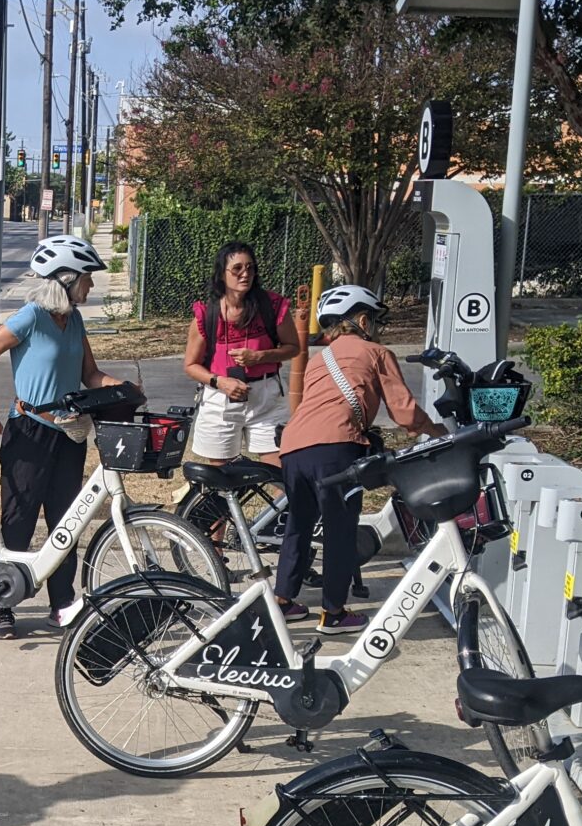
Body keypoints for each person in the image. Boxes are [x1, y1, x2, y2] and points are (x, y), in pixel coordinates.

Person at [0, 232, 129, 638]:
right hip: (29, 432)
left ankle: (61, 604)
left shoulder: (72, 320)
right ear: (66, 279)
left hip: (68, 434)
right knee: (18, 523)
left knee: (65, 523)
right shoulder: (31, 317)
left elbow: (90, 375)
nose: (90, 285)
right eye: (86, 278)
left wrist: (123, 388)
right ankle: (3, 604)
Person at [273, 285, 445, 631]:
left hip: (293, 448)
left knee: (299, 525)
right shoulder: (376, 352)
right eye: (375, 321)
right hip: (336, 449)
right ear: (363, 320)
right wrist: (437, 432)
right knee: (340, 529)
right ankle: (334, 613)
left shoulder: (321, 360)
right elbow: (405, 412)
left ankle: (283, 602)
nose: (377, 329)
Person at [183, 241, 299, 465]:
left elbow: (293, 348)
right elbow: (190, 365)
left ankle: (278, 501)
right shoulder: (207, 314)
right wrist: (220, 382)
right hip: (221, 399)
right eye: (237, 269)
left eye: (250, 268)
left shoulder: (272, 306)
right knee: (223, 480)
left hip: (265, 398)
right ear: (222, 274)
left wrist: (261, 356)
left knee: (280, 474)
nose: (245, 274)